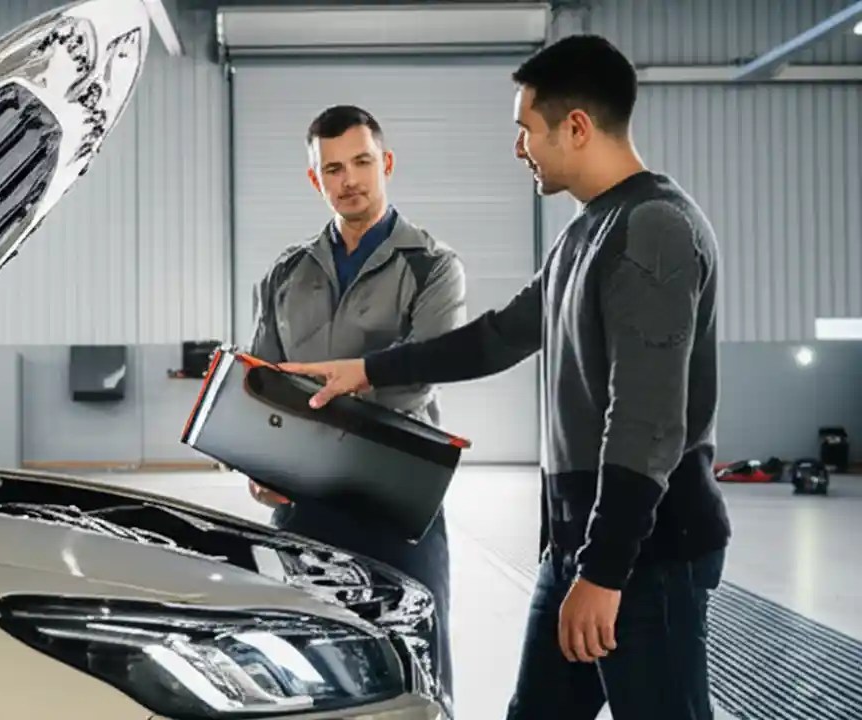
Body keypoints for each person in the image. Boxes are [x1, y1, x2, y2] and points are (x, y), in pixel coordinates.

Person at [278, 36, 732, 720]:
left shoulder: (655, 229)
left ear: (575, 127)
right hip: (577, 545)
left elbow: (648, 424)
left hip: (645, 557)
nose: (520, 148)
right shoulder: (586, 234)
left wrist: (604, 570)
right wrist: (366, 370)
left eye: (526, 129)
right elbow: (494, 340)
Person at [245, 104, 467, 708]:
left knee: (415, 663)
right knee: (302, 671)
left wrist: (347, 382)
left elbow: (422, 372)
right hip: (305, 504)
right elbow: (262, 381)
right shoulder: (285, 274)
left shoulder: (432, 266)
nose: (350, 180)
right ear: (316, 179)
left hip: (398, 499)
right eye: (333, 168)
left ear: (385, 163)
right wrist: (256, 465)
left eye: (362, 162)